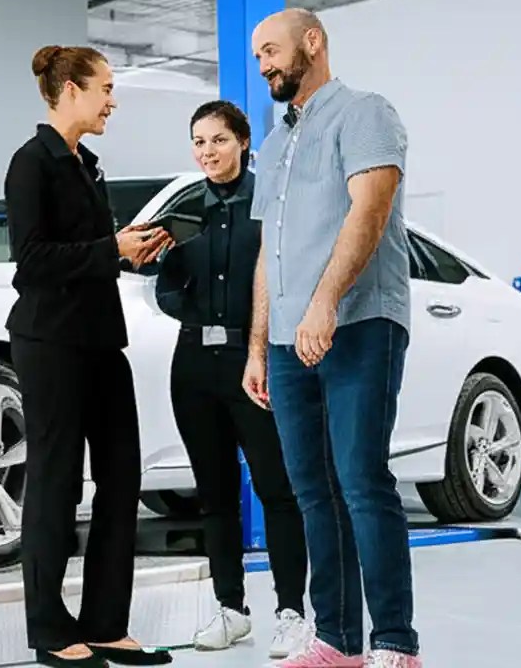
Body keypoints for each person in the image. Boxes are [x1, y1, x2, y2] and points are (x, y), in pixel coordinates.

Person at [246, 8, 421, 668]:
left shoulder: (365, 112)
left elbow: (369, 211)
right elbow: (271, 245)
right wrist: (260, 344)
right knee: (311, 490)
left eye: (272, 50)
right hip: (290, 341)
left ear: (312, 43)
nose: (264, 64)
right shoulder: (278, 140)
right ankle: (338, 641)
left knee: (361, 481)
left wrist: (324, 303)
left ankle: (396, 644)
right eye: (257, 55)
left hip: (359, 322)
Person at [3, 44, 173, 668]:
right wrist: (110, 249)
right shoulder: (32, 163)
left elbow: (92, 251)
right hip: (50, 341)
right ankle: (50, 628)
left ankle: (105, 623)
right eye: (104, 88)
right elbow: (34, 260)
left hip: (102, 340)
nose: (112, 101)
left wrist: (132, 250)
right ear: (70, 89)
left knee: (122, 476)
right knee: (55, 481)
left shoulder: (86, 164)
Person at [150, 100, 311, 660]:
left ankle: (292, 612)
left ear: (244, 142)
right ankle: (231, 609)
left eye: (218, 140)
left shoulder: (269, 204)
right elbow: (166, 284)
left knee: (275, 488)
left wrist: (257, 340)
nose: (207, 152)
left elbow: (287, 275)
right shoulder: (186, 211)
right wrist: (188, 304)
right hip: (194, 365)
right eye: (198, 142)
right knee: (214, 495)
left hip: (256, 359)